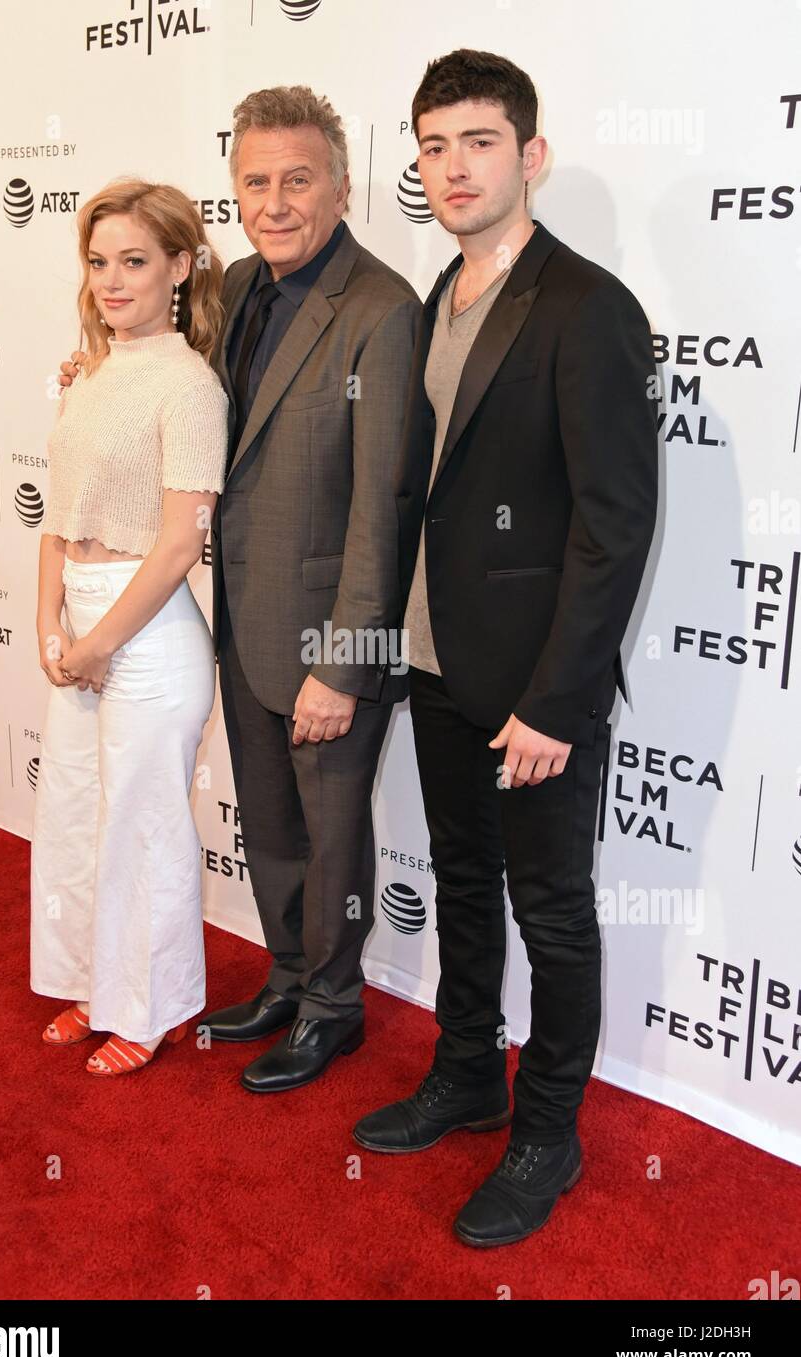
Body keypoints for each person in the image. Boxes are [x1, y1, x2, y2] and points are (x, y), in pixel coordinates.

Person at [354, 49, 659, 1246]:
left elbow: (612, 527)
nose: (450, 167)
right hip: (436, 663)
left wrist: (556, 702)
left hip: (534, 690)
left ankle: (547, 1129)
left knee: (554, 908)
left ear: (527, 154)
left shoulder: (587, 307)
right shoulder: (441, 294)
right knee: (462, 883)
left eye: (476, 142)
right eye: (431, 147)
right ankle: (467, 1069)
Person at [59, 89, 421, 1094]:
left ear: (341, 185)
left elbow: (382, 506)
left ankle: (334, 1010)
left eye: (296, 179)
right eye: (254, 181)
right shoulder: (237, 294)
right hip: (239, 626)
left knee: (333, 830)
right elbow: (176, 397)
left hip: (326, 642)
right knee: (267, 822)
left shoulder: (382, 310)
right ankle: (289, 976)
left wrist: (342, 663)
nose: (274, 201)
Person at [31, 178, 228, 1076]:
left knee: (144, 822)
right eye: (99, 262)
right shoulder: (89, 372)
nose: (113, 281)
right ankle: (92, 986)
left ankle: (151, 1010)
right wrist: (48, 625)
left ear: (180, 267)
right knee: (77, 816)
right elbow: (57, 519)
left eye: (136, 262)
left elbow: (182, 539)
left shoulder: (188, 385)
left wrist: (98, 640)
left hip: (144, 636)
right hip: (78, 620)